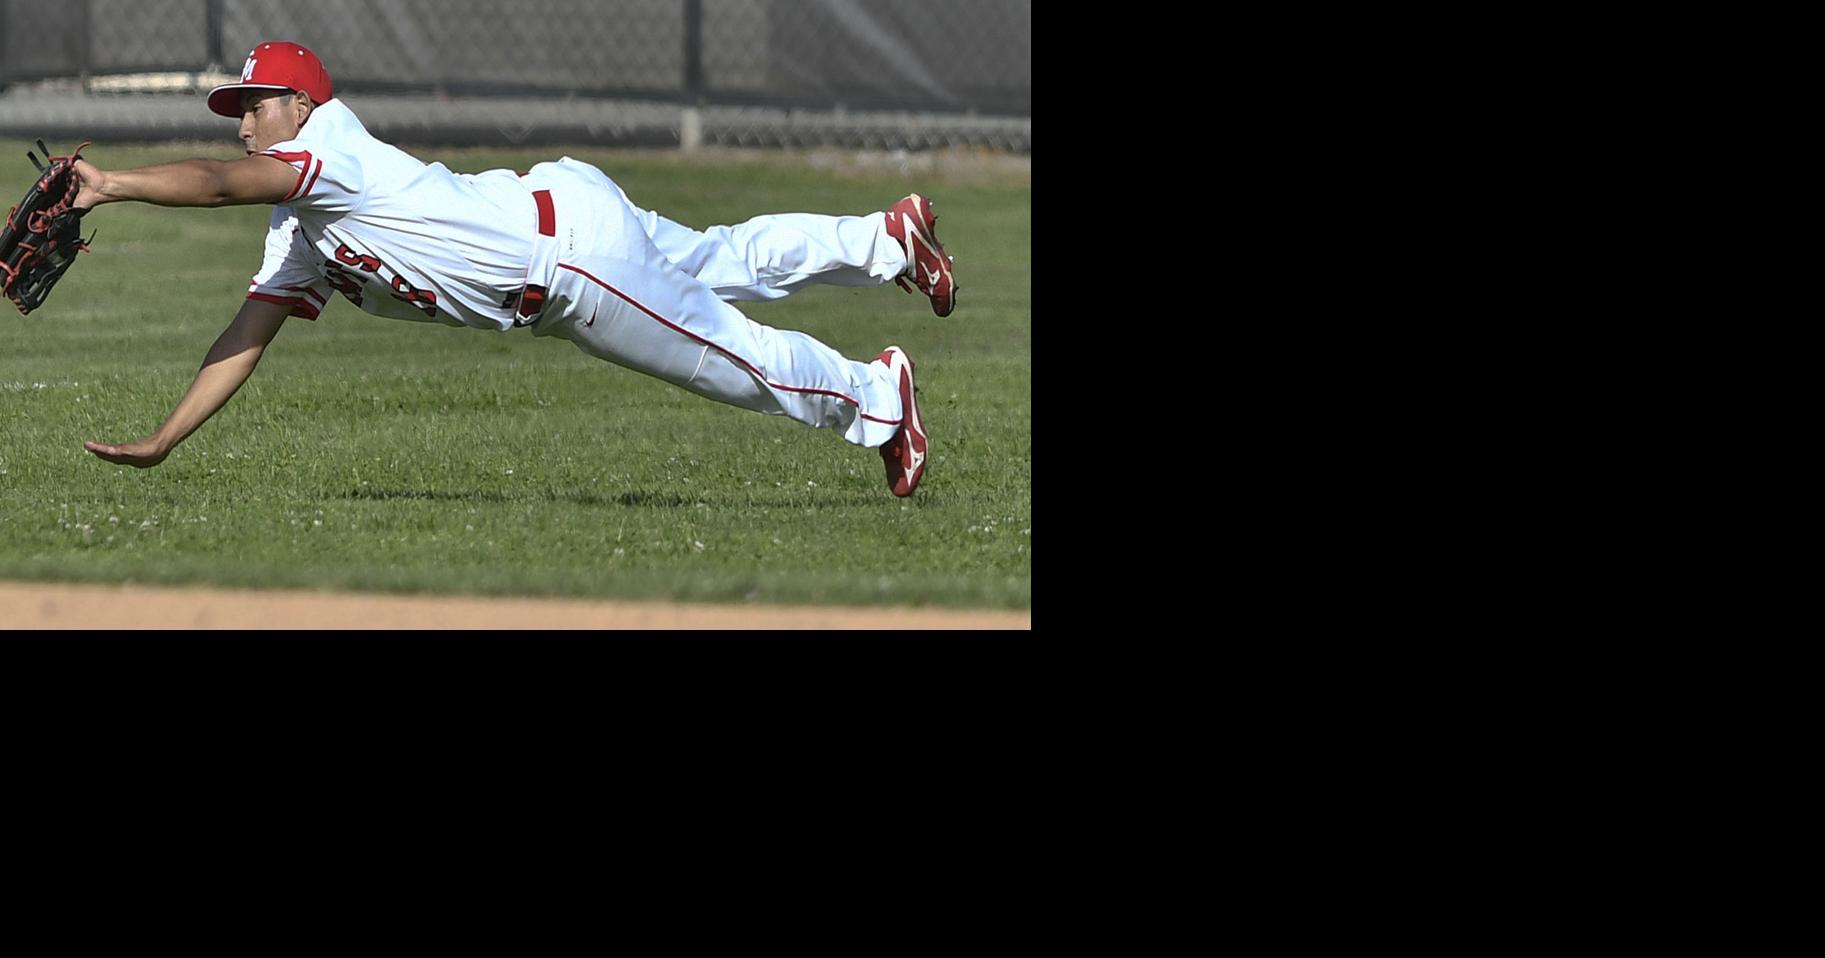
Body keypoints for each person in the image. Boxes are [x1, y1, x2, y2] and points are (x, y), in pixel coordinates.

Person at [74, 41, 956, 497]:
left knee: (725, 354)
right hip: (565, 209)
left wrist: (111, 182)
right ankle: (883, 241)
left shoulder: (327, 150)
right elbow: (246, 332)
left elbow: (222, 182)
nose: (244, 121)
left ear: (303, 104)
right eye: (237, 107)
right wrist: (163, 439)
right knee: (721, 258)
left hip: (569, 262)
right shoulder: (298, 224)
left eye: (256, 104)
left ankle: (879, 401)